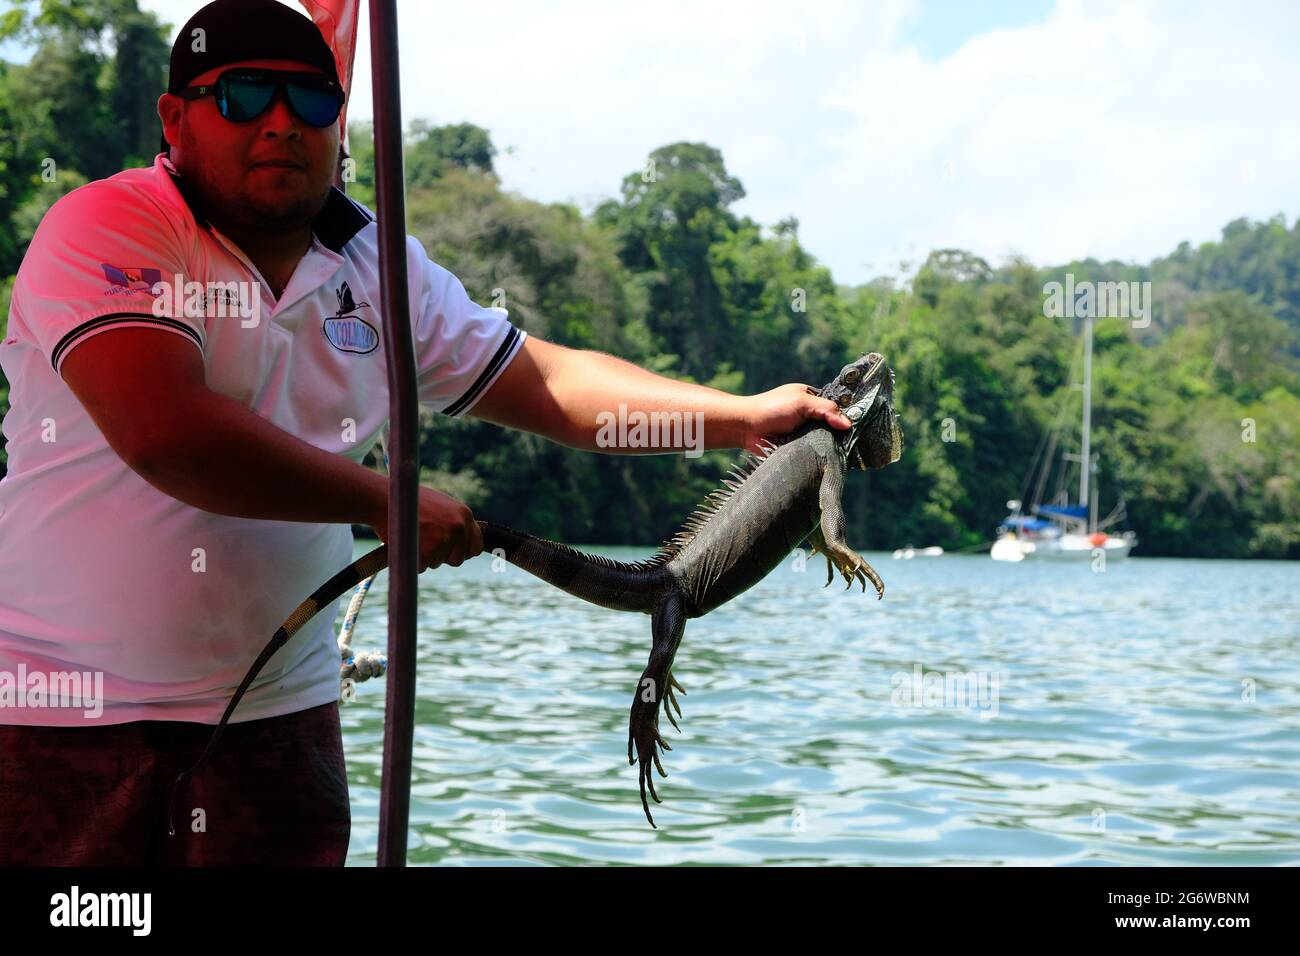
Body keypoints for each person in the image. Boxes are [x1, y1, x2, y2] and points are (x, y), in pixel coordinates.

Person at [0, 0, 851, 866]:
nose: (282, 124)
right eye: (244, 96)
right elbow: (167, 432)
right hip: (68, 717)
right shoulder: (111, 224)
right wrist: (389, 500)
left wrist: (738, 416)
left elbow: (551, 386)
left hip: (278, 719)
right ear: (175, 119)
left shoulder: (377, 263)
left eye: (311, 101)